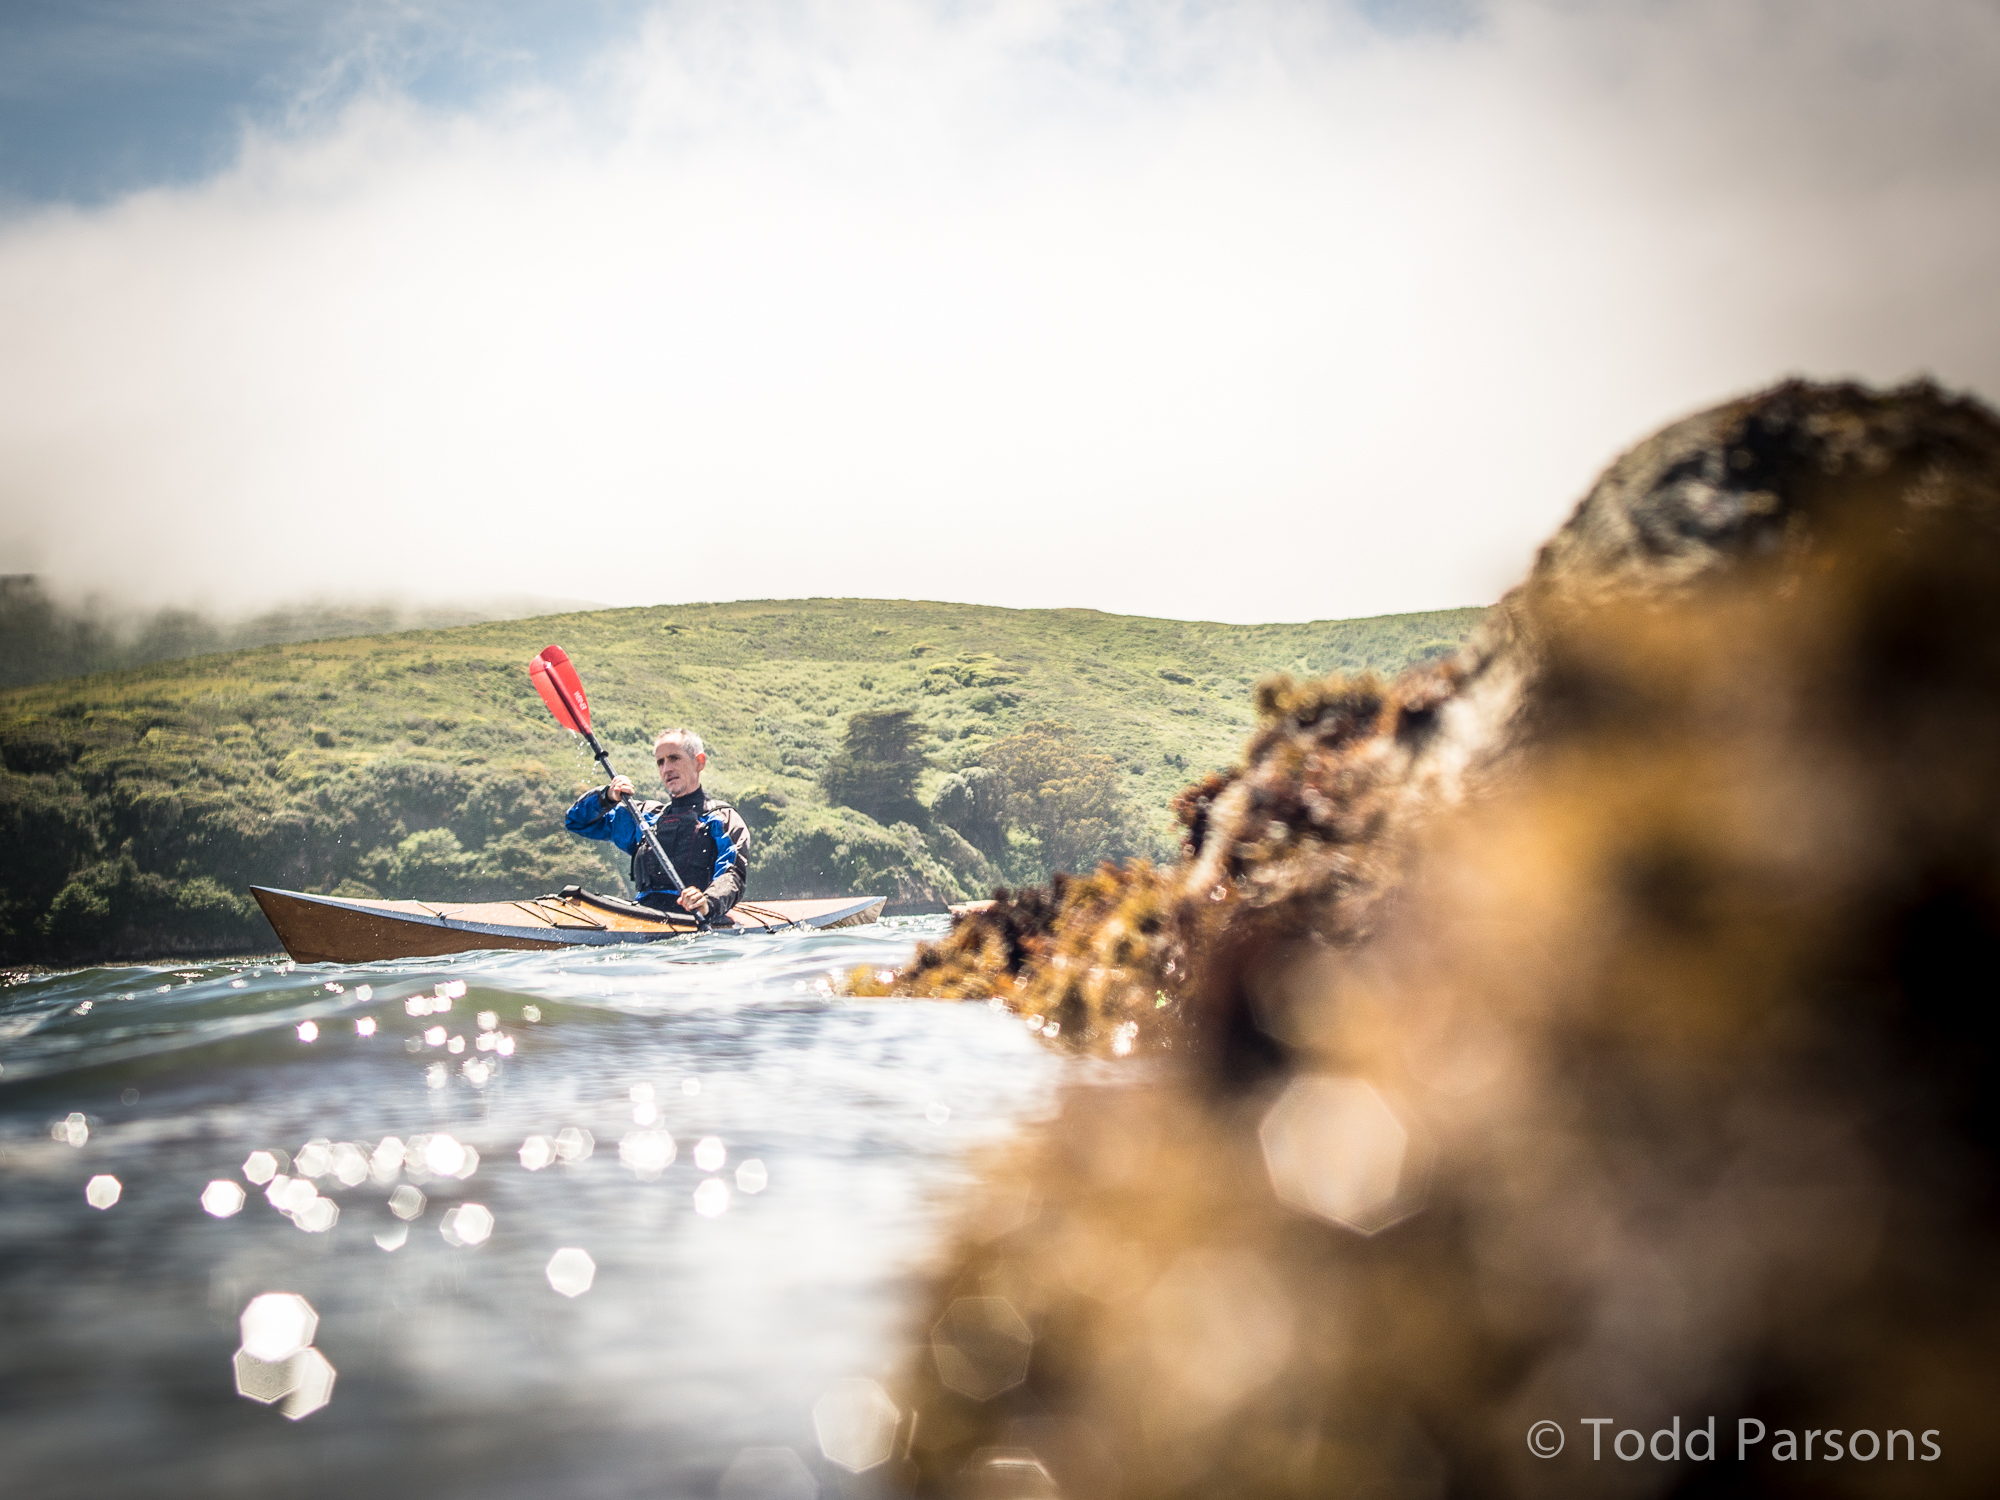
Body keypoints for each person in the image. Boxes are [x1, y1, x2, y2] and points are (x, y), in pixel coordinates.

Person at [563, 728, 750, 920]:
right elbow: (576, 821)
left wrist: (708, 902)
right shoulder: (645, 817)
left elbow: (732, 874)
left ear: (699, 762)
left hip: (694, 916)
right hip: (643, 915)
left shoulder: (721, 818)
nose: (666, 768)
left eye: (674, 758)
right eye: (660, 762)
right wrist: (606, 797)